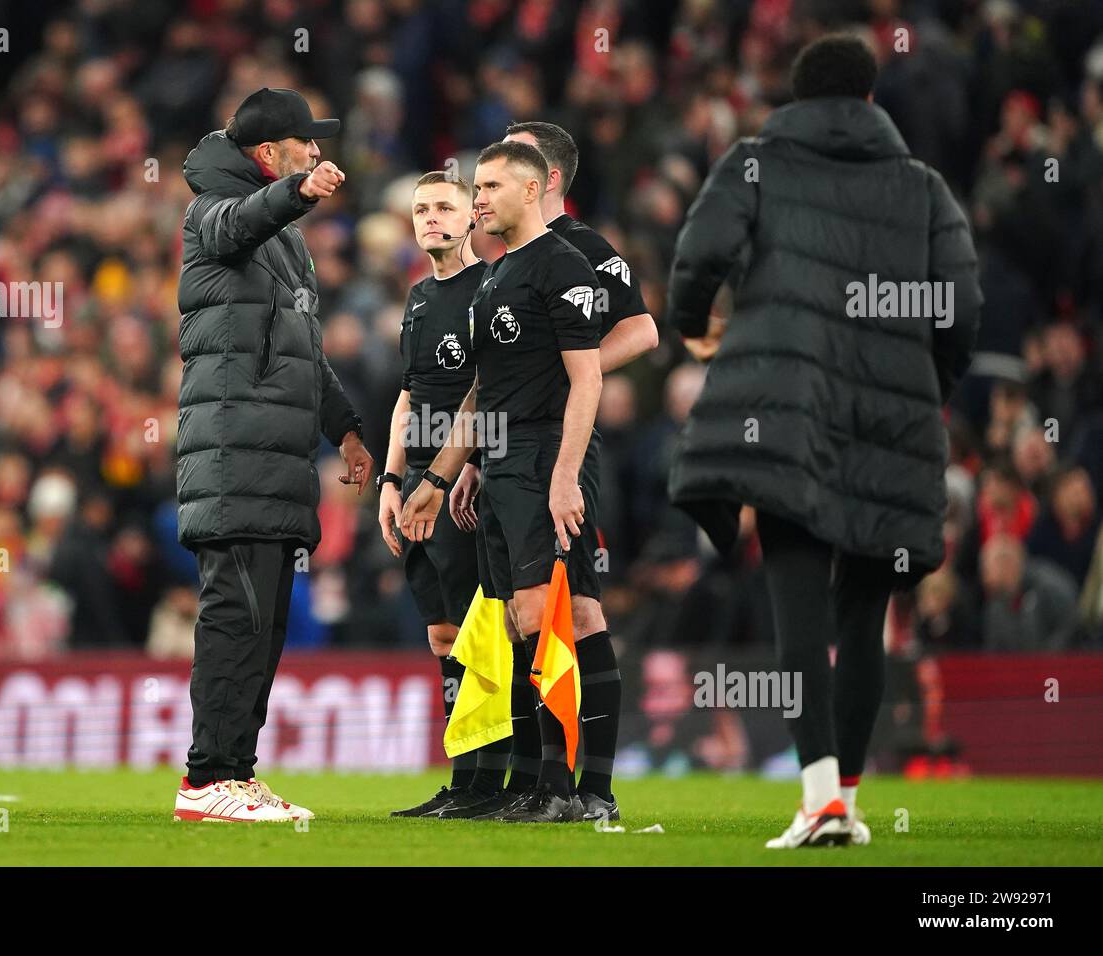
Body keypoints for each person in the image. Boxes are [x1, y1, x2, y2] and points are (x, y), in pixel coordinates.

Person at [665, 35, 981, 847]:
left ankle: (820, 800)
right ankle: (847, 795)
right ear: (872, 102)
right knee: (864, 614)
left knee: (797, 603)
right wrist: (925, 387)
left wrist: (696, 327)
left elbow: (699, 255)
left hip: (784, 406)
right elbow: (963, 304)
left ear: (795, 97)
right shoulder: (922, 185)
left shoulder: (756, 161)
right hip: (891, 414)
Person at [173, 88, 373, 824]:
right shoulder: (211, 215)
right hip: (233, 455)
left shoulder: (284, 241)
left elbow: (304, 353)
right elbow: (238, 224)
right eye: (304, 144)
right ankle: (207, 779)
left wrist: (346, 429)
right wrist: (296, 194)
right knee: (237, 618)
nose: (318, 152)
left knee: (264, 628)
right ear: (268, 155)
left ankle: (236, 773)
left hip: (276, 460)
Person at [401, 140, 603, 823]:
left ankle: (564, 787)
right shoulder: (493, 277)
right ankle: (533, 784)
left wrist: (566, 477)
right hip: (499, 464)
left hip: (544, 456)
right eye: (476, 187)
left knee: (547, 620)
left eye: (487, 187)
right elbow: (481, 392)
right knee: (517, 623)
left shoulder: (563, 265)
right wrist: (445, 475)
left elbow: (589, 378)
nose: (478, 198)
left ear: (532, 190)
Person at [378, 170, 506, 816]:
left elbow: (485, 390)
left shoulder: (491, 288)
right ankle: (464, 779)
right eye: (421, 208)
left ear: (472, 218)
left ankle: (489, 781)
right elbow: (408, 394)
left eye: (445, 207)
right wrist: (391, 478)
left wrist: (455, 471)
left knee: (480, 631)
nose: (431, 217)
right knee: (440, 634)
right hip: (419, 479)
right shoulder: (420, 296)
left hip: (460, 482)